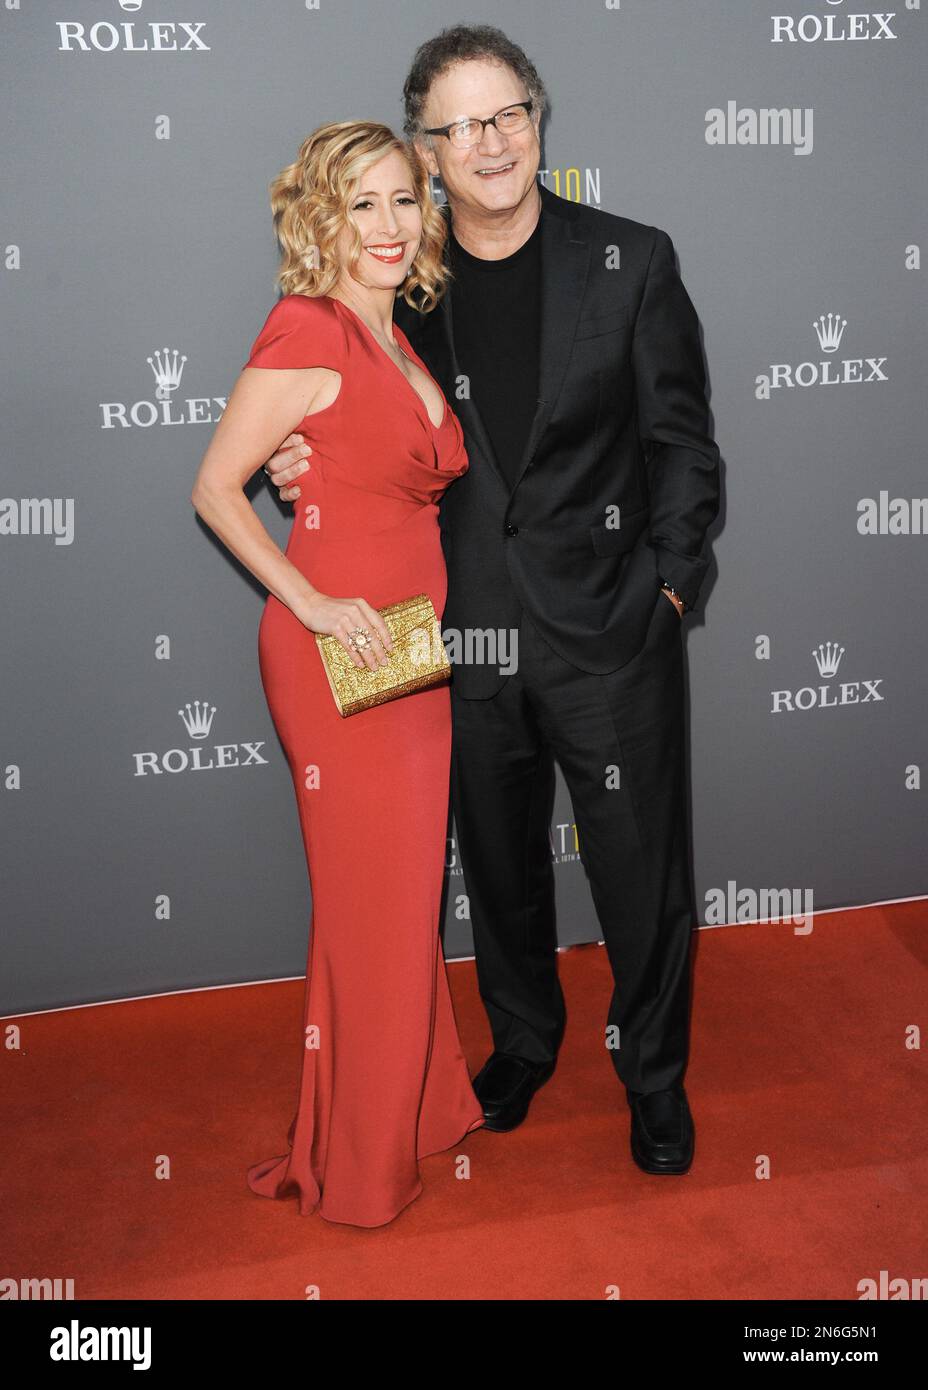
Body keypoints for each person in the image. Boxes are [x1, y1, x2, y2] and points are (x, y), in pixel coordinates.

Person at [265, 25, 721, 1176]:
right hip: (458, 641)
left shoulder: (630, 260)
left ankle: (653, 1077)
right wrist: (294, 465)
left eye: (506, 113)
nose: (489, 142)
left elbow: (682, 446)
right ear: (425, 152)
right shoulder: (396, 287)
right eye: (458, 126)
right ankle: (522, 1043)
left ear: (538, 118)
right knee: (500, 868)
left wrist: (668, 590)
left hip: (610, 634)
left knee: (640, 873)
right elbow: (338, 424)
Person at [190, 120, 483, 1228]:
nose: (389, 225)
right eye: (361, 203)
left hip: (408, 653)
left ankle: (417, 1105)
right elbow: (215, 487)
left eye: (405, 199)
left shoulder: (397, 333)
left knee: (390, 900)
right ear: (323, 215)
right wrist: (309, 601)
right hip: (336, 652)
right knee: (377, 902)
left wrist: (301, 465)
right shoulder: (306, 324)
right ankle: (361, 1166)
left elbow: (348, 462)